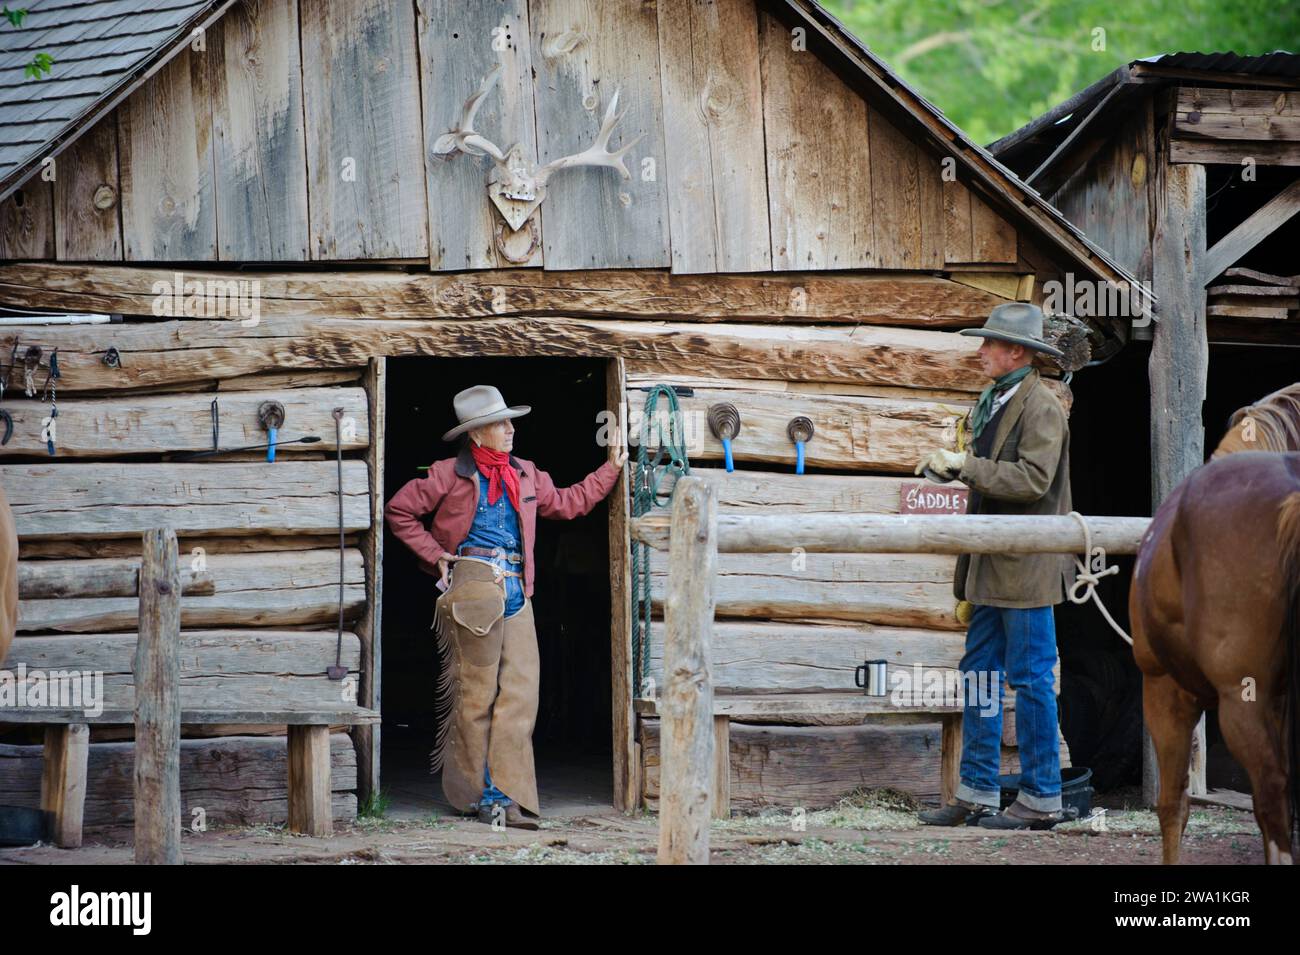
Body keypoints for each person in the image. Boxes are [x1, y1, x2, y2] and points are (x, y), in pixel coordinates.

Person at [385, 384, 627, 829]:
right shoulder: (446, 473)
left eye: (509, 420)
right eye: (501, 422)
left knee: (521, 694)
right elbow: (399, 511)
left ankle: (504, 796)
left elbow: (570, 503)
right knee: (478, 697)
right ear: (477, 434)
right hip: (475, 583)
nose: (511, 428)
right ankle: (476, 796)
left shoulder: (527, 473)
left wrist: (610, 470)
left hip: (518, 588)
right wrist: (435, 553)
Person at [912, 302, 1076, 830]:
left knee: (1030, 680)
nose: (981, 350)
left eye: (990, 343)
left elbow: (1031, 481)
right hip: (989, 567)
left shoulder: (1042, 406)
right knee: (980, 675)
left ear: (1017, 352)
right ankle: (978, 791)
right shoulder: (995, 399)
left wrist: (968, 466)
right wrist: (951, 469)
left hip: (1026, 568)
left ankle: (1042, 798)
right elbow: (991, 475)